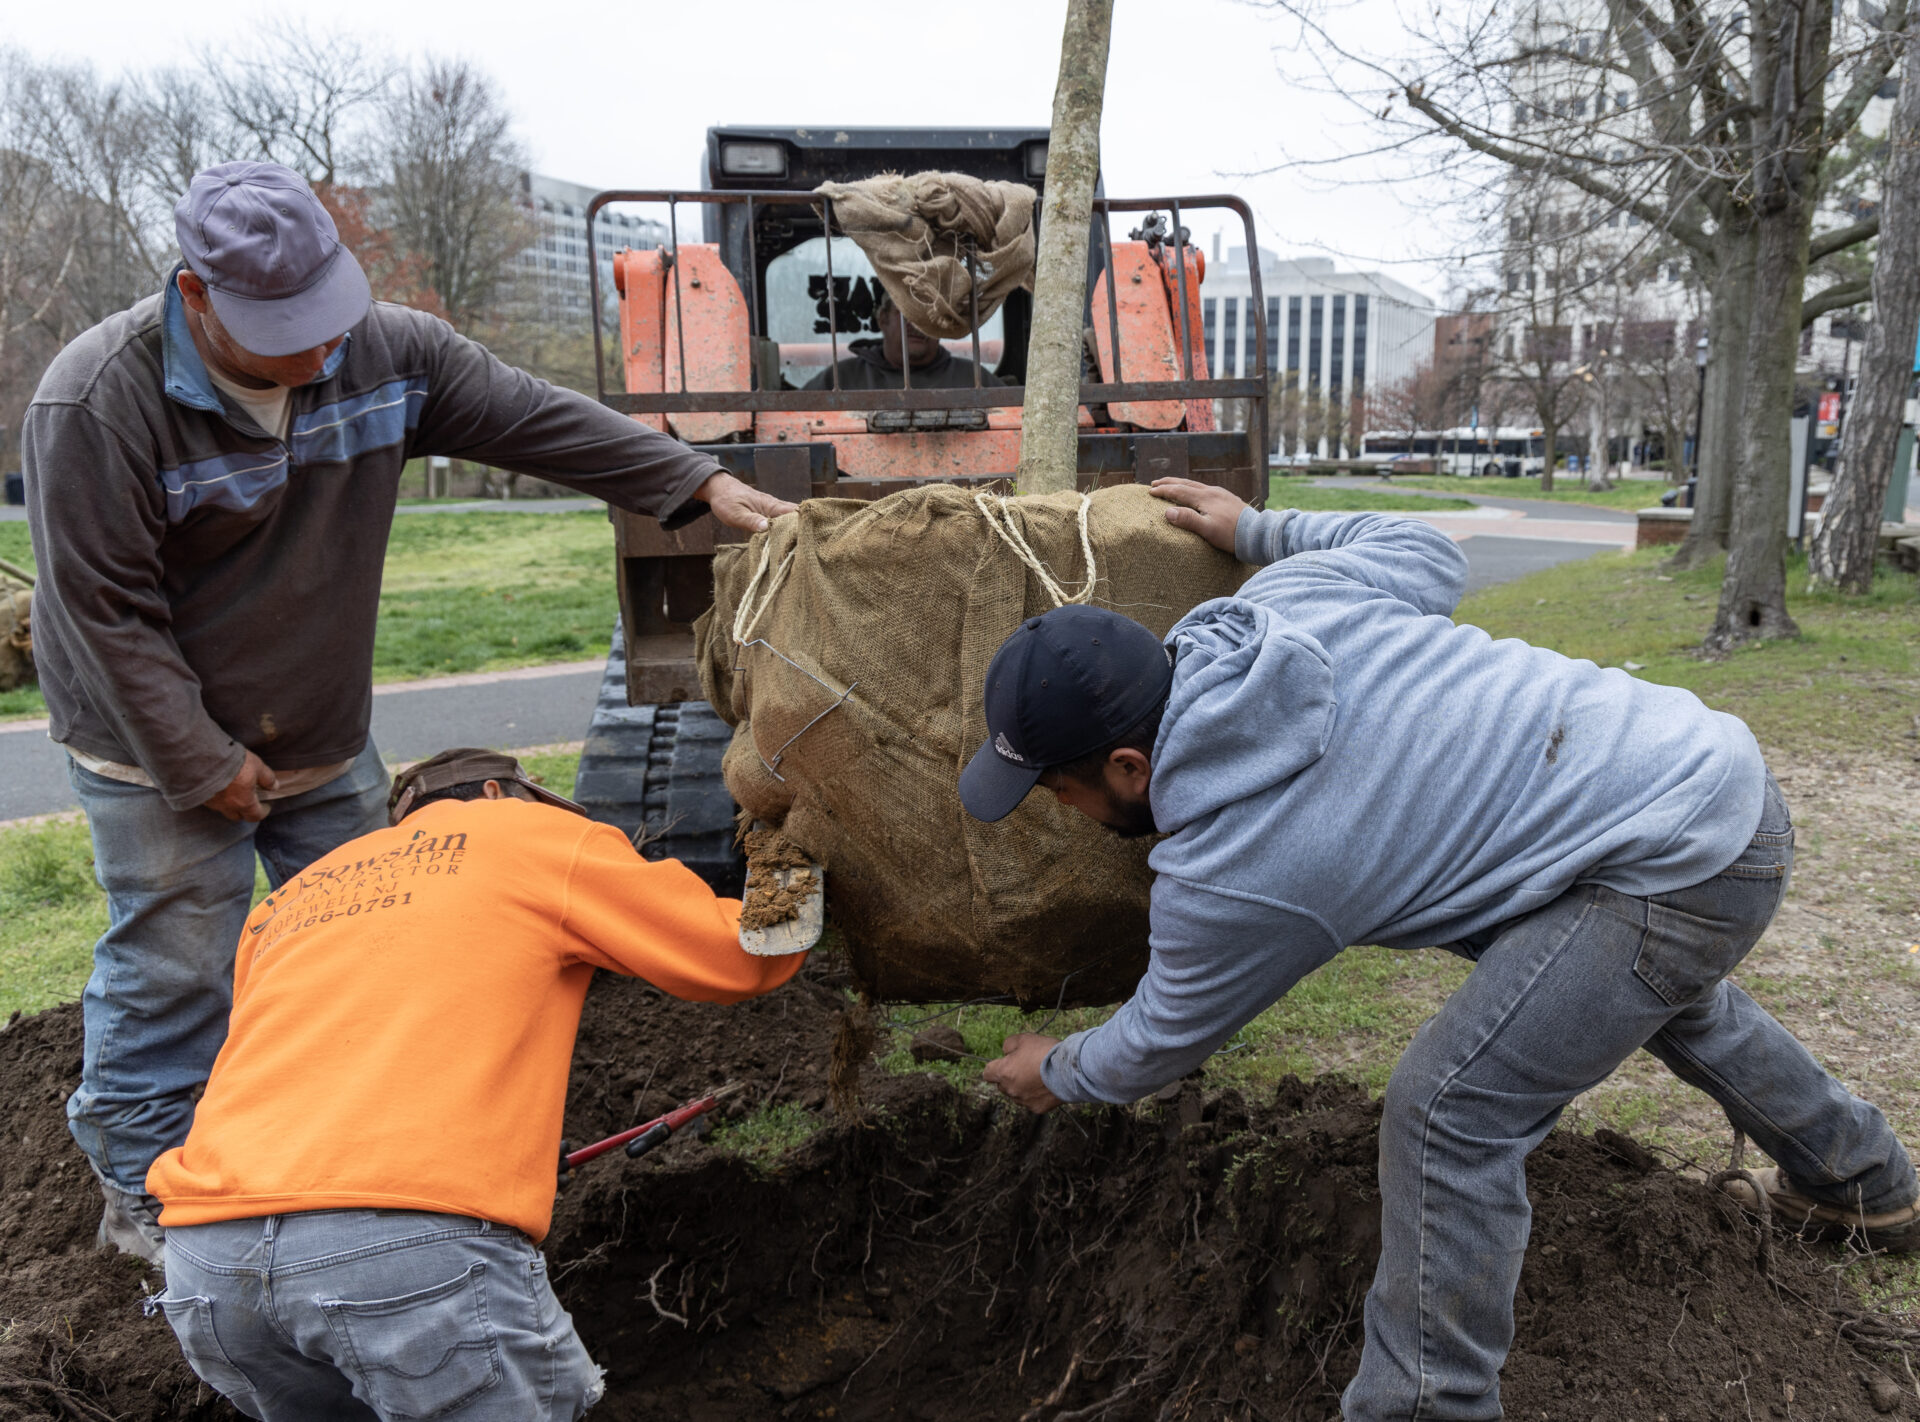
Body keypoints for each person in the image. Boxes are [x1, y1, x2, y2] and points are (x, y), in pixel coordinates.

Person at [964, 478, 1919, 1422]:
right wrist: (1262, 530)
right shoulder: (1284, 602)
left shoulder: (1231, 868)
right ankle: (1863, 1186)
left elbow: (1164, 1037)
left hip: (1680, 860)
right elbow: (1421, 548)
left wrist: (1061, 1067)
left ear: (1129, 766)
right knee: (1663, 992)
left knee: (1449, 1115)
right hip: (1686, 776)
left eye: (1058, 791)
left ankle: (1430, 1406)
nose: (1063, 810)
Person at [19, 162, 795, 1266]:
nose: (319, 350)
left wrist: (694, 481)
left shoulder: (386, 353)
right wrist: (201, 762)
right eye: (284, 331)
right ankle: (145, 1187)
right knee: (176, 965)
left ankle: (346, 1145)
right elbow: (104, 612)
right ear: (195, 295)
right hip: (152, 750)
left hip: (316, 729)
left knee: (379, 939)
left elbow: (532, 415)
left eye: (327, 315)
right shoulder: (97, 402)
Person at [144, 748, 805, 1420]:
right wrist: (795, 845)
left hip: (209, 1261)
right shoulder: (526, 833)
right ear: (496, 791)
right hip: (399, 1254)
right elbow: (745, 952)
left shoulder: (295, 896)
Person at [804, 290, 1000, 390]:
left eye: (929, 315)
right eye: (906, 314)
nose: (917, 325)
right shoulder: (841, 379)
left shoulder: (975, 378)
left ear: (943, 324)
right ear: (883, 320)